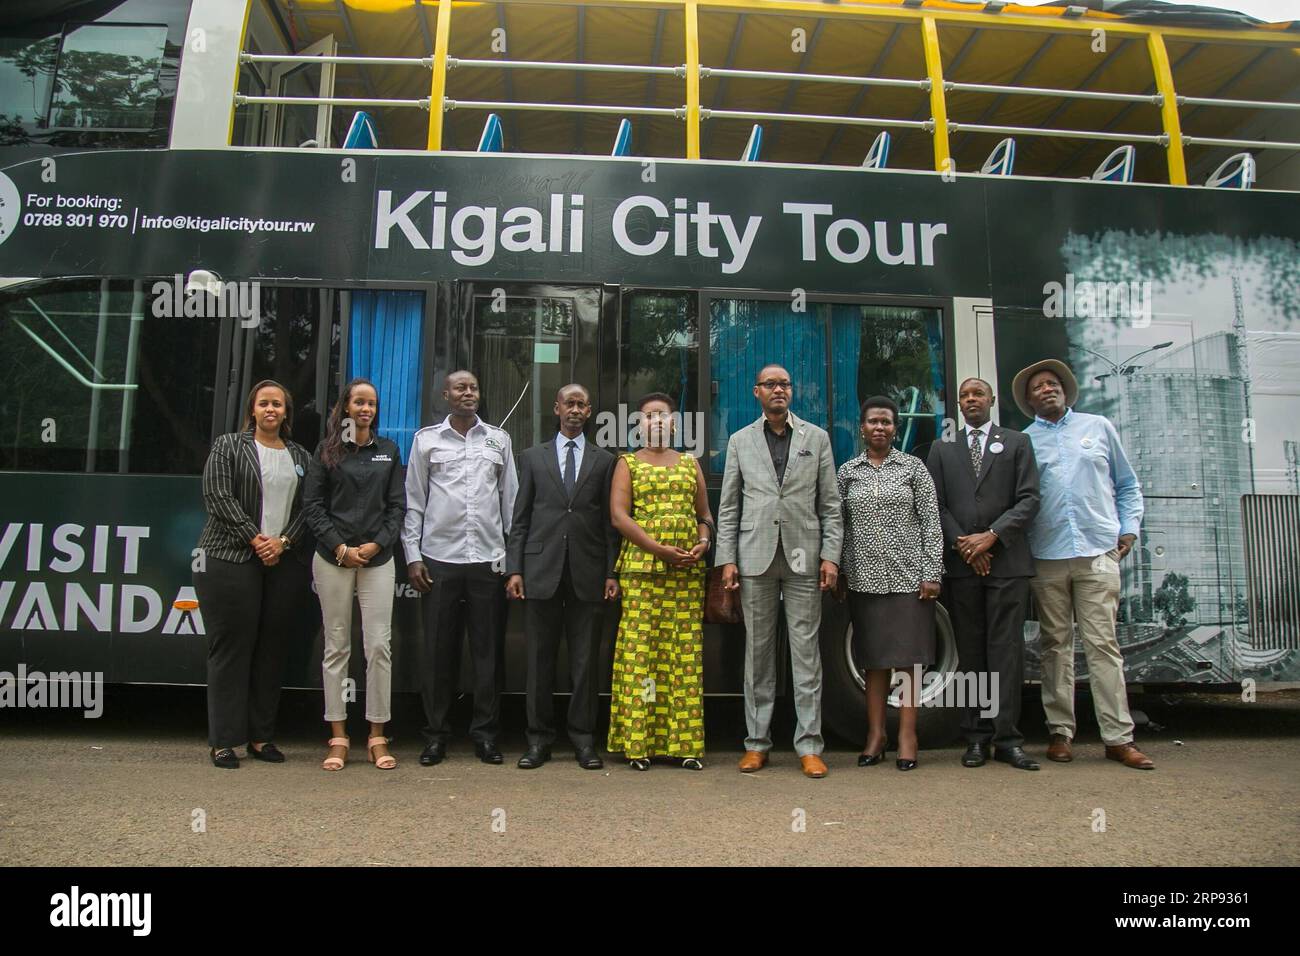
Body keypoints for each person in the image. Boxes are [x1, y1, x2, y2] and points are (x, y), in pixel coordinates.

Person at [1015, 359, 1154, 770]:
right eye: (1037, 386)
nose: (1046, 389)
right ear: (1029, 400)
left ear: (1065, 390)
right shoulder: (1025, 442)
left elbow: (1128, 485)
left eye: (1052, 383)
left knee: (1103, 646)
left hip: (1097, 553)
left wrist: (1128, 531)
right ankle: (1060, 732)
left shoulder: (1098, 428)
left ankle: (1118, 738)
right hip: (1047, 556)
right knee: (1055, 646)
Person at [716, 363, 842, 779]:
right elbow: (730, 505)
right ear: (757, 392)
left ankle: (809, 745)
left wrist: (831, 556)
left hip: (804, 556)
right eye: (770, 385)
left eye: (784, 384)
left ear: (792, 391)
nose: (778, 390)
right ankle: (757, 744)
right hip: (755, 558)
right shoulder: (740, 440)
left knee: (806, 654)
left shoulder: (816, 438)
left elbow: (830, 506)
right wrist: (727, 560)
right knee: (758, 654)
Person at [194, 380, 314, 769]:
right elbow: (217, 496)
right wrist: (255, 539)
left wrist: (282, 543)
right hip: (230, 558)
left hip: (282, 562)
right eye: (264, 403)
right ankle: (225, 741)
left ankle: (262, 737)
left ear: (286, 412)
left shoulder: (301, 456)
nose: (271, 410)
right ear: (253, 410)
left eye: (278, 404)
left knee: (271, 649)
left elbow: (308, 509)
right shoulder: (228, 446)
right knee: (231, 649)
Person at [403, 370, 518, 766]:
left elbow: (510, 504)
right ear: (446, 395)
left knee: (488, 654)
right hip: (438, 560)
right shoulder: (426, 441)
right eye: (460, 388)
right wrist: (413, 556)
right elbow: (414, 502)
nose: (468, 393)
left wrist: (511, 559)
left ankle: (485, 735)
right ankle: (435, 736)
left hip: (488, 561)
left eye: (473, 387)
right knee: (438, 653)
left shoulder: (498, 440)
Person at [925, 377, 1041, 771]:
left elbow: (1029, 499)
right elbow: (935, 505)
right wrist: (965, 545)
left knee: (1005, 653)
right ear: (958, 404)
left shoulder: (1017, 442)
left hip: (1006, 565)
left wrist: (991, 538)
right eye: (964, 395)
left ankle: (1008, 738)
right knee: (971, 655)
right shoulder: (943, 449)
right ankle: (975, 738)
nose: (971, 399)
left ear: (992, 399)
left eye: (978, 393)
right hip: (962, 567)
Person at [506, 384, 620, 771]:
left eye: (581, 405)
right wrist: (515, 568)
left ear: (589, 412)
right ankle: (538, 741)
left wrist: (610, 572)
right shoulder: (531, 457)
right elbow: (520, 519)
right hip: (540, 572)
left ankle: (584, 741)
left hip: (588, 573)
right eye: (568, 403)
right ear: (556, 408)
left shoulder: (605, 461)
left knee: (585, 662)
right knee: (539, 660)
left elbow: (609, 524)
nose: (574, 410)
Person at [302, 378, 406, 772]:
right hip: (333, 559)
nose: (366, 409)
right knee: (336, 647)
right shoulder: (326, 452)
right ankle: (339, 736)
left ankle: (378, 735)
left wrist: (376, 545)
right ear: (345, 407)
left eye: (372, 404)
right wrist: (340, 548)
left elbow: (397, 508)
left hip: (377, 559)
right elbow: (312, 507)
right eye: (359, 402)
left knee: (379, 646)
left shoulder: (389, 451)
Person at [838, 396, 944, 771]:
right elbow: (839, 526)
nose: (879, 427)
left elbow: (931, 523)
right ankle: (876, 734)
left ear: (895, 428)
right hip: (864, 579)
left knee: (909, 661)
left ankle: (907, 737)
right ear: (862, 428)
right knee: (873, 661)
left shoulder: (914, 468)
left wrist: (932, 573)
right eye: (872, 422)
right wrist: (838, 570)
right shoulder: (848, 472)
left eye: (886, 422)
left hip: (909, 578)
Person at [607, 393, 712, 771]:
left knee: (682, 657)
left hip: (685, 574)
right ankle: (640, 745)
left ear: (674, 424)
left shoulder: (690, 463)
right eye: (648, 416)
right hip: (642, 571)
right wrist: (658, 549)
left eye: (663, 416)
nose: (656, 422)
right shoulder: (627, 463)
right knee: (643, 655)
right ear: (638, 424)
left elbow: (704, 514)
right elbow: (619, 517)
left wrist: (702, 542)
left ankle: (683, 744)